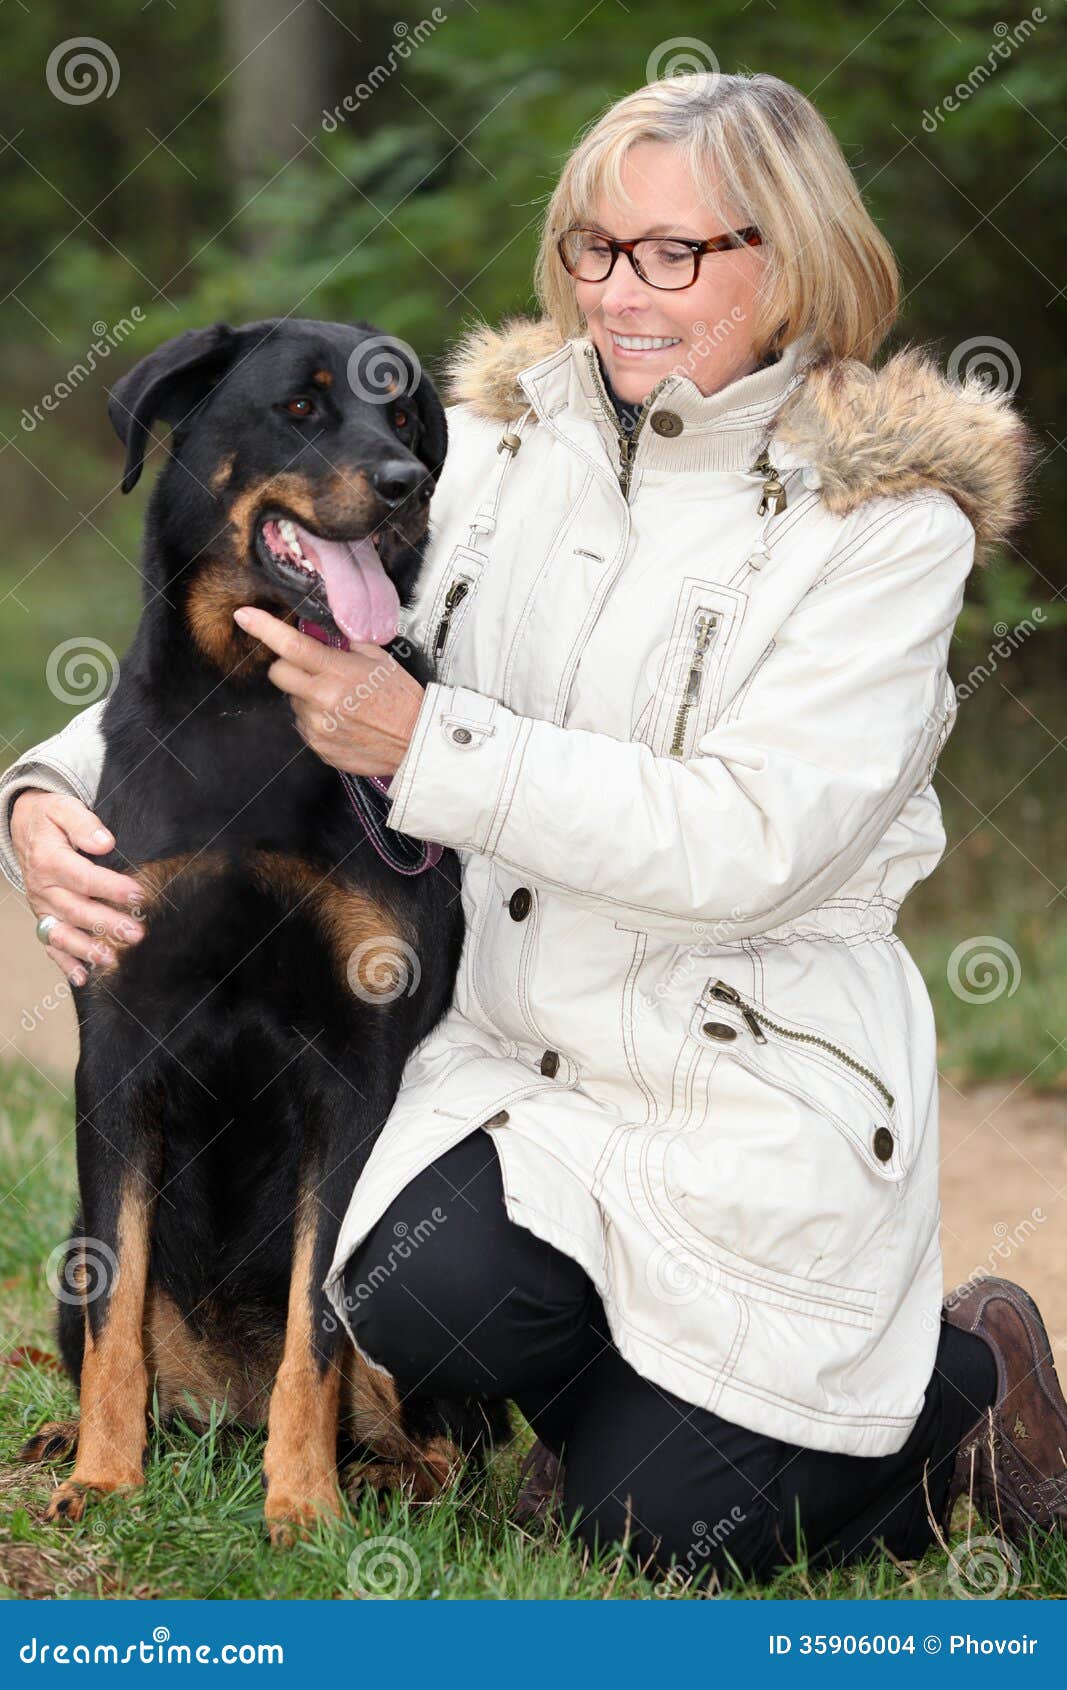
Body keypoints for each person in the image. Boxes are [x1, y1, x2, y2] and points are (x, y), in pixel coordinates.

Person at [4, 70, 1064, 1582]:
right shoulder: (490, 450)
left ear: (797, 259)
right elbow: (248, 648)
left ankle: (960, 1395)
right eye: (594, 246)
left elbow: (750, 838)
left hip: (738, 1087)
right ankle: (634, 1407)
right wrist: (47, 791)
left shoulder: (885, 524)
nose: (621, 291)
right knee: (410, 1293)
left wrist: (427, 745)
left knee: (659, 1538)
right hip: (513, 1072)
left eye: (674, 253)